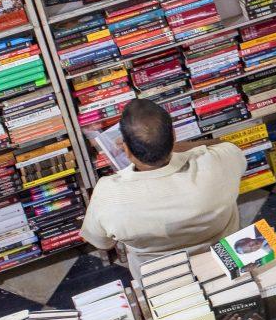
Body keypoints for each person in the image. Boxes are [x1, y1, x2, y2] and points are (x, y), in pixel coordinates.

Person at [79, 98, 248, 278]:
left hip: (158, 276)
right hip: (226, 259)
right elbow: (226, 145)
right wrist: (171, 147)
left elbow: (102, 243)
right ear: (174, 136)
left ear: (126, 150)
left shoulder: (106, 195)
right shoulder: (217, 163)